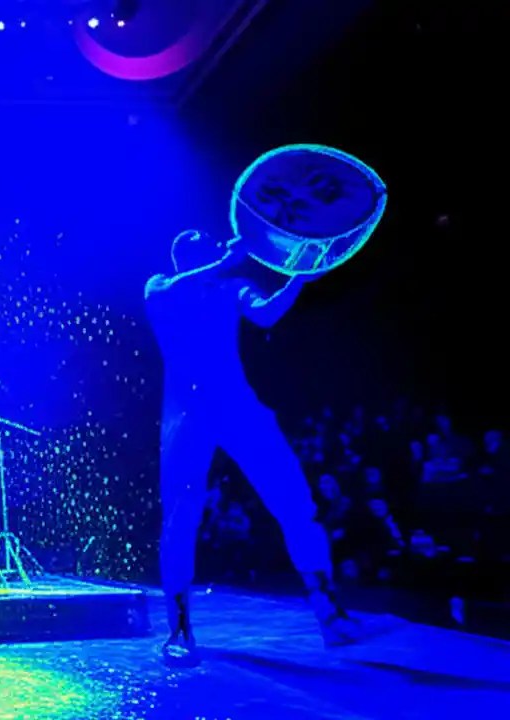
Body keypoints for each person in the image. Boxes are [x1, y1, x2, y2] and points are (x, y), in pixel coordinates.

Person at [145, 230, 364, 665]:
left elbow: (266, 314)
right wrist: (228, 260)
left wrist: (299, 276)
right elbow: (184, 285)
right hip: (187, 413)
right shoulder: (161, 287)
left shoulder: (231, 287)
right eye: (201, 244)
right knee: (181, 513)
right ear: (183, 255)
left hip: (236, 404)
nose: (211, 244)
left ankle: (329, 612)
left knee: (295, 501)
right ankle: (180, 627)